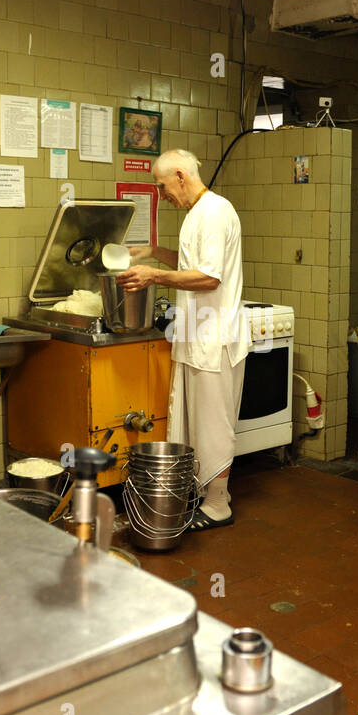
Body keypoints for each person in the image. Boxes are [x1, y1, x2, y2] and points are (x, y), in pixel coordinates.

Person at [117, 148, 251, 531]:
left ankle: (218, 504)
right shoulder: (198, 214)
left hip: (216, 337)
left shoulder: (215, 211)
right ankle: (202, 495)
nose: (162, 196)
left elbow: (209, 277)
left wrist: (152, 276)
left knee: (214, 424)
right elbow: (194, 263)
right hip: (197, 334)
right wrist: (155, 253)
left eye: (162, 187)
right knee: (196, 422)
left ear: (179, 175)